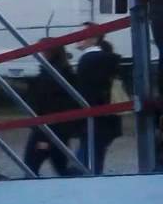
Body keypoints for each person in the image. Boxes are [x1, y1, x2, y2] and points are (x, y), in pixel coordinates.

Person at [22, 46, 79, 177]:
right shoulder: (63, 72)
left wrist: (43, 136)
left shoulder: (49, 76)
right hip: (59, 129)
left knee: (31, 166)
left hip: (47, 129)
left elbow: (47, 105)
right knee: (61, 166)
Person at [74, 25, 123, 175]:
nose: (78, 37)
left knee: (86, 164)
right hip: (106, 120)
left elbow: (88, 93)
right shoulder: (105, 59)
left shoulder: (88, 60)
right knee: (93, 160)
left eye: (83, 34)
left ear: (94, 38)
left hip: (94, 121)